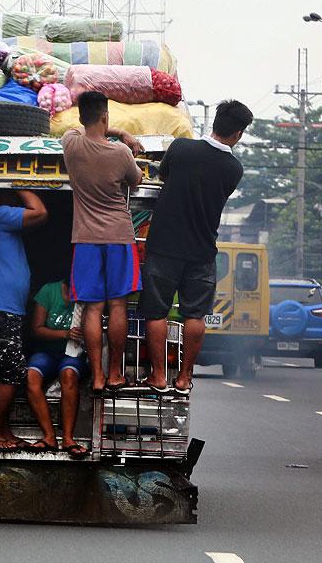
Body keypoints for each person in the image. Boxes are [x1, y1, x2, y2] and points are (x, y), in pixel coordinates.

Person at [139, 99, 250, 394]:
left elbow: (164, 176)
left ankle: (159, 376)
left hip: (164, 246)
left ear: (215, 122)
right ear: (238, 133)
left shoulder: (180, 148)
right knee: (194, 315)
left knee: (156, 311)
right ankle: (185, 378)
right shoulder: (233, 169)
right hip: (202, 251)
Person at [61, 91, 145, 394]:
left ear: (82, 117)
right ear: (106, 116)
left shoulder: (70, 145)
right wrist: (123, 134)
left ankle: (95, 375)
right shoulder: (121, 153)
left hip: (85, 238)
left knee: (93, 308)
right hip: (119, 237)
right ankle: (114, 374)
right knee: (118, 305)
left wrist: (108, 129)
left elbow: (77, 129)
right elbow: (136, 180)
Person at [0, 190, 47, 451]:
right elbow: (40, 212)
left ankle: (3, 429)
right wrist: (21, 185)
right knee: (13, 372)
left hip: (4, 308)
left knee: (2, 371)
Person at [26, 280, 88, 458]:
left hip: (74, 354)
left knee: (68, 374)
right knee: (31, 376)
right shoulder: (49, 290)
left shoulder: (88, 291)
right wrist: (65, 334)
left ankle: (68, 439)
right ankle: (49, 437)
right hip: (47, 352)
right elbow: (36, 330)